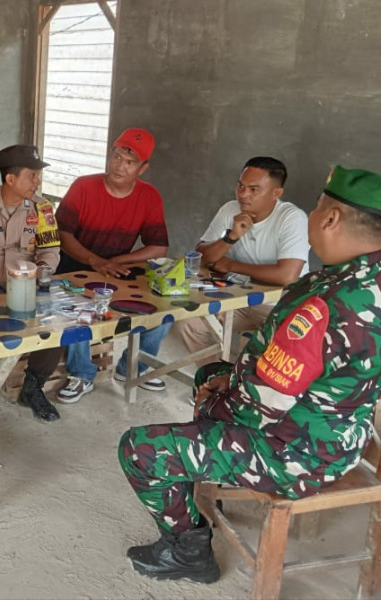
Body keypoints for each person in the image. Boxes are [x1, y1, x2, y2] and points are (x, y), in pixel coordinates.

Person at [117, 165, 381, 583]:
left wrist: (218, 398)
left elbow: (260, 406)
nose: (313, 215)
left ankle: (187, 549)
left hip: (295, 454)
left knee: (141, 449)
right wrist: (231, 380)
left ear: (331, 219)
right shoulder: (366, 280)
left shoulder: (325, 302)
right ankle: (209, 470)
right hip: (345, 434)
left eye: (318, 208)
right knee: (213, 370)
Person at [54, 128, 172, 402]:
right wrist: (96, 261)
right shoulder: (83, 186)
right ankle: (82, 374)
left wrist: (115, 261)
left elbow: (159, 247)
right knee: (75, 312)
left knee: (165, 309)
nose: (120, 166)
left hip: (116, 271)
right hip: (73, 267)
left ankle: (133, 367)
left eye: (130, 162)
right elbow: (62, 235)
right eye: (116, 157)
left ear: (143, 168)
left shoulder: (149, 196)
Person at [0, 144, 63, 422]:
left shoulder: (42, 209)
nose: (37, 182)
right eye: (32, 175)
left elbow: (51, 250)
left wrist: (41, 273)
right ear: (11, 179)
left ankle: (33, 387)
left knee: (57, 330)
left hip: (29, 288)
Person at [171, 157, 310, 363]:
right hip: (236, 298)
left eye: (254, 189)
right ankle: (216, 379)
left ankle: (241, 388)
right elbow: (202, 258)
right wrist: (230, 238)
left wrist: (231, 265)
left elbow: (287, 276)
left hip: (280, 305)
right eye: (241, 186)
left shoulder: (292, 218)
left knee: (282, 352)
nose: (243, 194)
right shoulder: (230, 209)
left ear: (276, 193)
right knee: (187, 322)